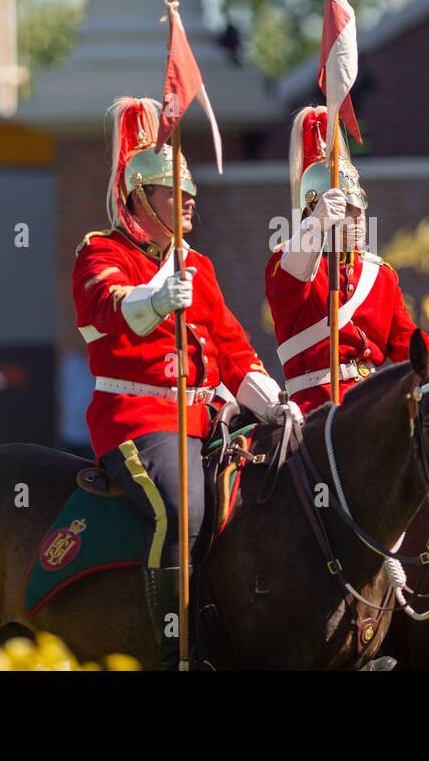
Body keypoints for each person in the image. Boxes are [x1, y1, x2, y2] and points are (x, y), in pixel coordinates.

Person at [72, 96, 296, 669]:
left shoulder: (199, 266)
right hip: (140, 422)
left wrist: (273, 404)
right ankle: (176, 647)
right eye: (177, 192)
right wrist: (153, 297)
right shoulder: (102, 252)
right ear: (141, 198)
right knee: (183, 507)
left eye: (192, 191)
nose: (191, 199)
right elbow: (105, 304)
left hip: (207, 419)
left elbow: (232, 348)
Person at [266, 107, 427, 414]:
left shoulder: (381, 275)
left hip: (373, 404)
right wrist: (316, 225)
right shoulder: (286, 261)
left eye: (360, 206)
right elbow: (292, 279)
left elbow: (409, 347)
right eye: (346, 208)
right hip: (316, 408)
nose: (358, 216)